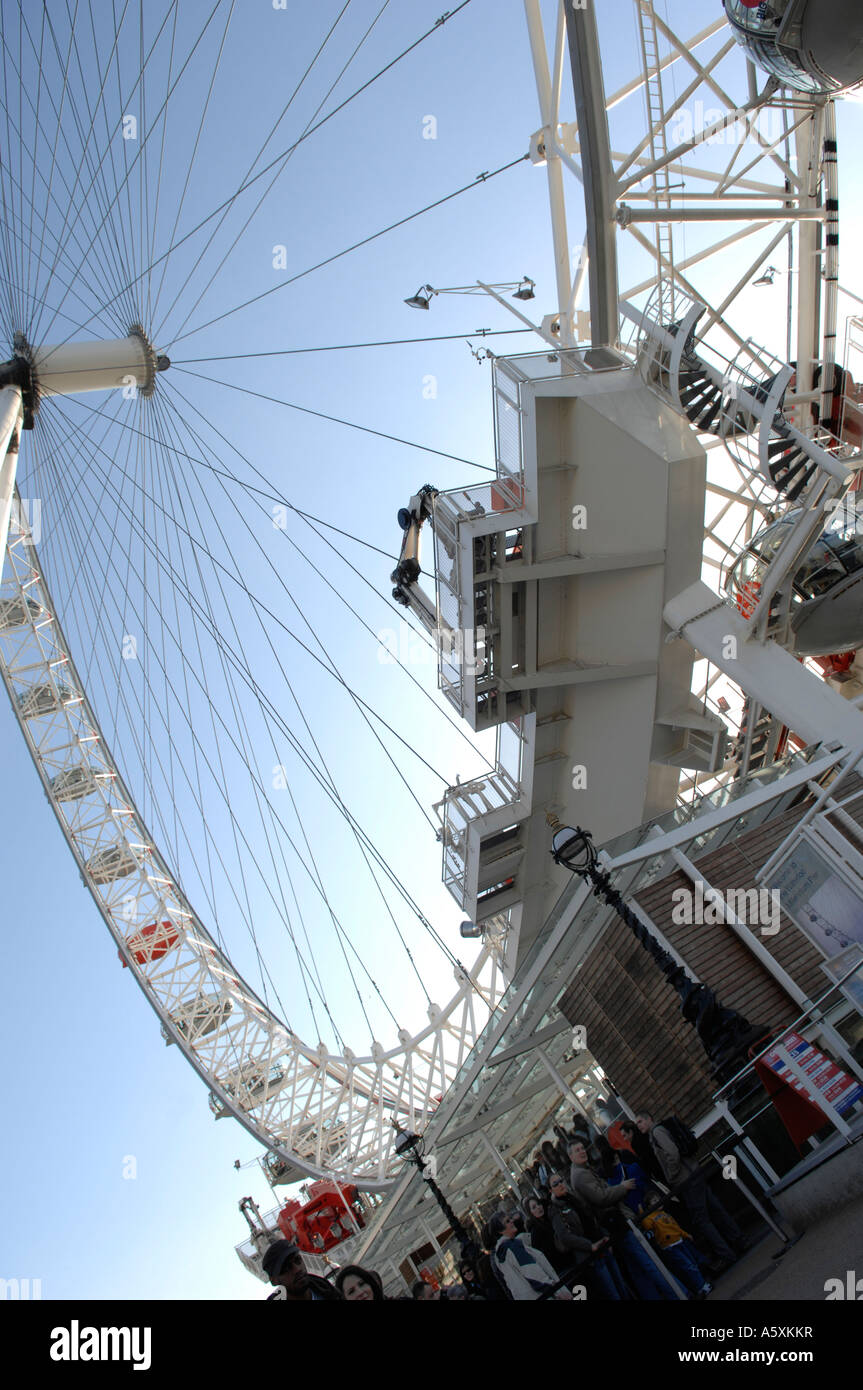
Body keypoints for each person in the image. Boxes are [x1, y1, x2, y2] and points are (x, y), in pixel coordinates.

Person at [635, 1111, 744, 1272]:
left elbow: (672, 1153)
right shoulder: (660, 1130)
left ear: (649, 1119)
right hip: (694, 1172)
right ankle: (739, 1240)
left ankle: (726, 1253)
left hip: (686, 1179)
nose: (639, 1126)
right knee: (714, 1208)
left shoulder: (657, 1132)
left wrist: (672, 1175)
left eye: (640, 1122)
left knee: (701, 1219)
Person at [568, 1141, 677, 1301]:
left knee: (637, 1268)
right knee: (646, 1262)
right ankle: (677, 1294)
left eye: (582, 1148)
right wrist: (622, 1187)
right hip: (615, 1223)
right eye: (577, 1150)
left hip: (614, 1223)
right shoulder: (580, 1175)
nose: (582, 1151)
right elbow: (601, 1197)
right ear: (570, 1156)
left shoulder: (582, 1171)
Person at [547, 1173, 628, 1300]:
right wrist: (589, 1246)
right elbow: (564, 1236)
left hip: (602, 1244)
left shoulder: (573, 1198)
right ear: (550, 1190)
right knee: (612, 1293)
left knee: (622, 1285)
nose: (560, 1185)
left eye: (560, 1181)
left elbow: (590, 1218)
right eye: (555, 1184)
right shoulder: (555, 1209)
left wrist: (604, 1235)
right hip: (590, 1255)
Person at [639, 1190, 712, 1300]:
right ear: (649, 1206)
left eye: (658, 1199)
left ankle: (701, 1284)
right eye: (654, 1201)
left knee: (691, 1263)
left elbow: (675, 1227)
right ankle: (701, 1286)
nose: (658, 1202)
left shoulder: (665, 1214)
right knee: (687, 1266)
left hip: (679, 1240)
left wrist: (685, 1234)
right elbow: (647, 1225)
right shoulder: (650, 1218)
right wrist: (642, 1214)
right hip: (670, 1246)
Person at [489, 1210, 572, 1300]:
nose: (512, 1221)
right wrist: (557, 1291)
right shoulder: (513, 1246)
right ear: (500, 1231)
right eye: (507, 1221)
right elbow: (533, 1273)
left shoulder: (499, 1256)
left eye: (510, 1219)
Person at [262, 1239, 343, 1301]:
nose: (297, 1269)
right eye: (286, 1268)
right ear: (274, 1281)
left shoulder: (327, 1290)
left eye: (297, 1260)